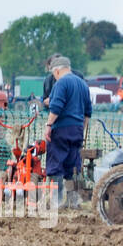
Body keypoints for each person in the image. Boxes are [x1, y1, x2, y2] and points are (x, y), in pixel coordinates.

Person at [43, 56, 92, 209]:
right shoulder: (82, 84)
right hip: (77, 129)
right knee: (74, 165)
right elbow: (88, 111)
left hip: (62, 128)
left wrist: (48, 125)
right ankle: (74, 201)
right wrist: (81, 129)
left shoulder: (61, 83)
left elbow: (56, 107)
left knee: (56, 164)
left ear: (57, 71)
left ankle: (56, 202)